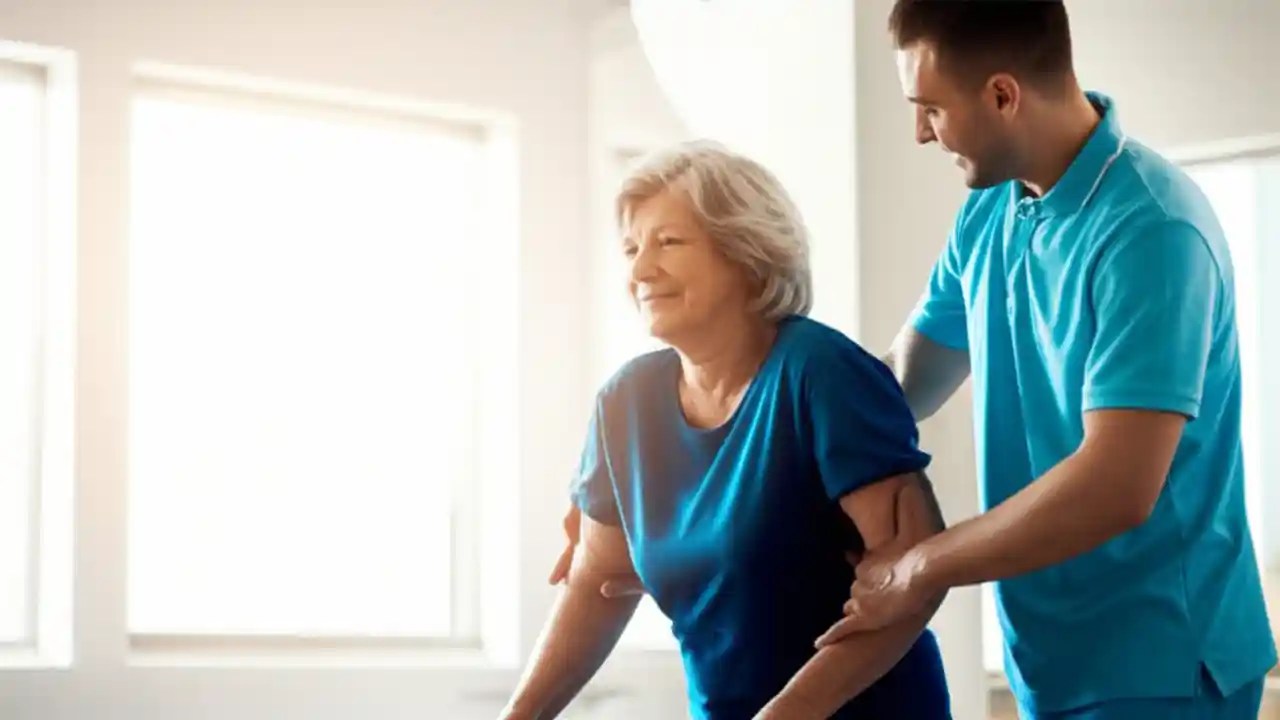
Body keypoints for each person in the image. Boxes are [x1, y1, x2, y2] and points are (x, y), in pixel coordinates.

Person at [553, 2, 1278, 718]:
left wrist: (921, 562)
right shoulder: (993, 210)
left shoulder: (1152, 229)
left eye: (929, 107)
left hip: (1164, 657)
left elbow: (1118, 485)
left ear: (1002, 95)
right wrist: (654, 495)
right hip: (1052, 655)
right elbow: (897, 380)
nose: (920, 132)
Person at [500, 141, 952, 719]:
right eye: (632, 248)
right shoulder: (626, 402)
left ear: (744, 251)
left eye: (668, 243)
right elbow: (596, 585)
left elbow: (913, 580)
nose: (639, 270)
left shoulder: (821, 372)